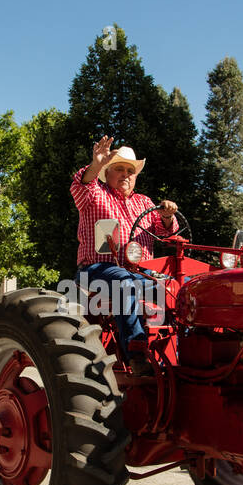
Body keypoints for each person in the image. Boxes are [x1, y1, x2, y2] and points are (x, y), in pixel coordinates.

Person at [71, 136, 180, 373]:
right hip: (95, 270)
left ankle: (179, 351)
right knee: (124, 281)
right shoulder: (96, 194)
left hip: (138, 273)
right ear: (107, 173)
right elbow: (81, 185)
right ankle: (136, 353)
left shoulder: (144, 203)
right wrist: (96, 163)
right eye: (119, 168)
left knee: (174, 288)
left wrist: (168, 215)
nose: (125, 174)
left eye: (130, 170)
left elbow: (166, 231)